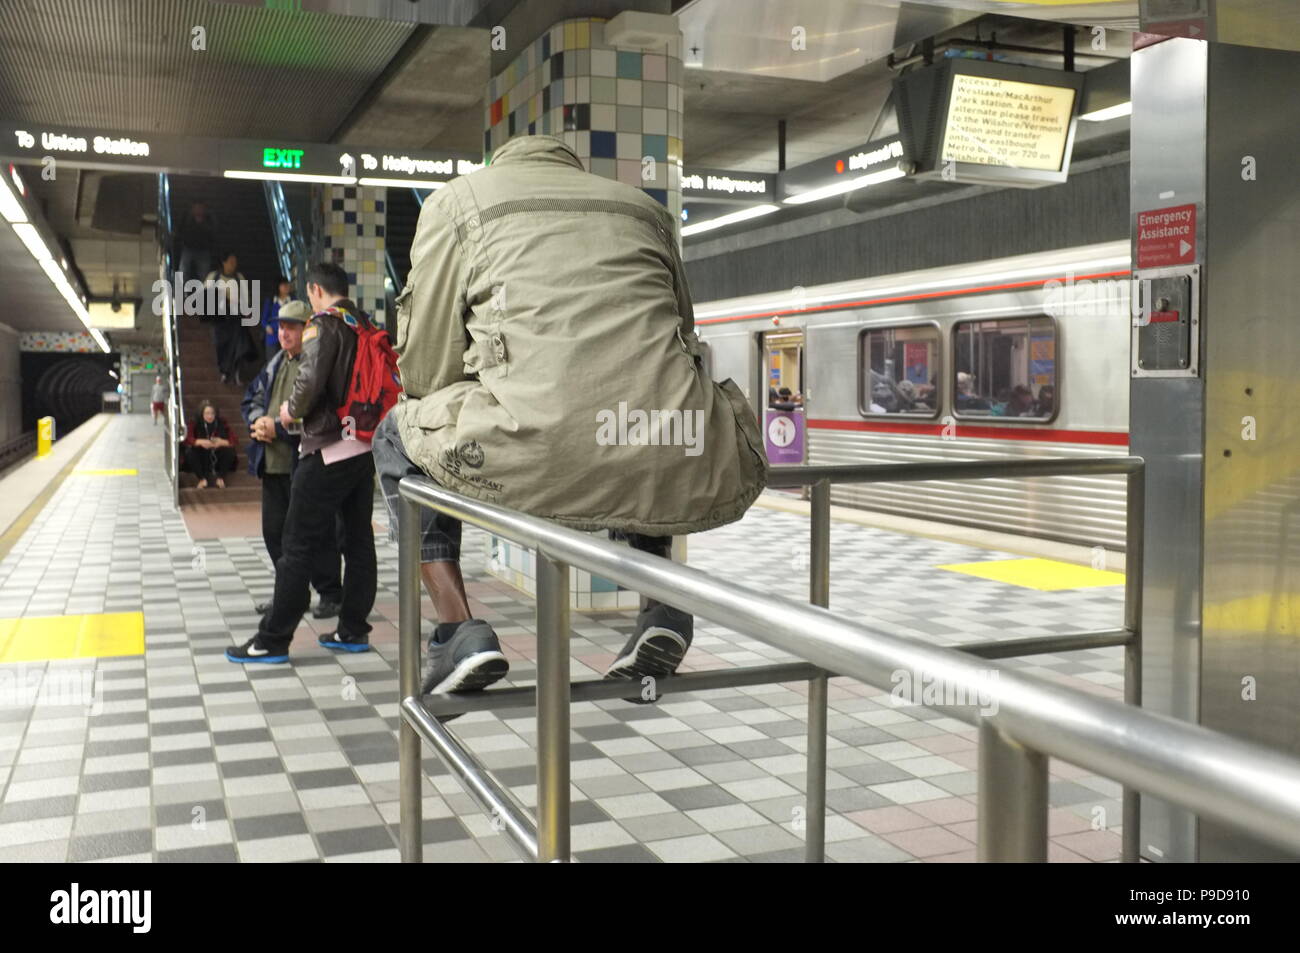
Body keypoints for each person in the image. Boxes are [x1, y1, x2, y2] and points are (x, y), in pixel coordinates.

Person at [373, 133, 767, 696]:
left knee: (394, 435)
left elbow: (427, 370)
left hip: (534, 442)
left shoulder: (456, 202)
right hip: (667, 437)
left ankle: (458, 629)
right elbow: (680, 336)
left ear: (499, 162)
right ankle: (663, 608)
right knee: (637, 398)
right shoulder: (646, 210)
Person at [226, 263, 378, 664]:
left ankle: (272, 639)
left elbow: (309, 384)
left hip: (326, 448)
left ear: (315, 290)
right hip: (361, 446)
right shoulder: (362, 322)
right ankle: (353, 630)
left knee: (296, 543)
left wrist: (289, 414)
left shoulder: (323, 324)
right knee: (358, 540)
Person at [241, 300, 344, 620]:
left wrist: (281, 430)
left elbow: (322, 418)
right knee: (274, 532)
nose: (284, 333)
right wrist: (258, 421)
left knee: (316, 532)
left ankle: (331, 594)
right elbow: (252, 397)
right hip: (272, 464)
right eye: (281, 326)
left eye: (292, 327)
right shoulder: (276, 363)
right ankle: (290, 594)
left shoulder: (315, 365)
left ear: (307, 330)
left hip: (304, 463)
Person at [205, 252, 252, 384]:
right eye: (231, 261)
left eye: (235, 262)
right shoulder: (213, 277)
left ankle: (237, 373)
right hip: (219, 317)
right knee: (221, 345)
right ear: (223, 262)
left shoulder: (239, 277)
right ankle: (224, 372)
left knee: (239, 344)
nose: (233, 265)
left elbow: (245, 296)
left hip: (236, 315)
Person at [184, 400, 236, 489]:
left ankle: (220, 478)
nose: (210, 416)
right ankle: (202, 479)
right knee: (190, 452)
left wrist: (221, 442)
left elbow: (233, 440)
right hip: (202, 455)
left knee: (229, 451)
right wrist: (200, 442)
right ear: (201, 414)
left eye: (212, 413)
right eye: (207, 413)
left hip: (217, 454)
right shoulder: (194, 423)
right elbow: (187, 439)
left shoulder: (221, 422)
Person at [176, 202, 216, 286]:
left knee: (204, 275)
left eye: (200, 208)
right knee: (183, 271)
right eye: (196, 208)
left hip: (203, 250)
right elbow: (180, 230)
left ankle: (204, 295)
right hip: (188, 248)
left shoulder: (208, 219)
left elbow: (213, 232)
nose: (198, 210)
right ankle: (181, 292)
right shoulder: (187, 218)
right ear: (192, 209)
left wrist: (203, 224)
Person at [260, 276, 295, 361]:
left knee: (289, 362)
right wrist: (267, 327)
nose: (287, 286)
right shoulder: (271, 301)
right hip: (273, 337)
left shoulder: (293, 300)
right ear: (278, 287)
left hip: (289, 336)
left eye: (287, 284)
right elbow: (263, 319)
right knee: (273, 363)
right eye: (284, 285)